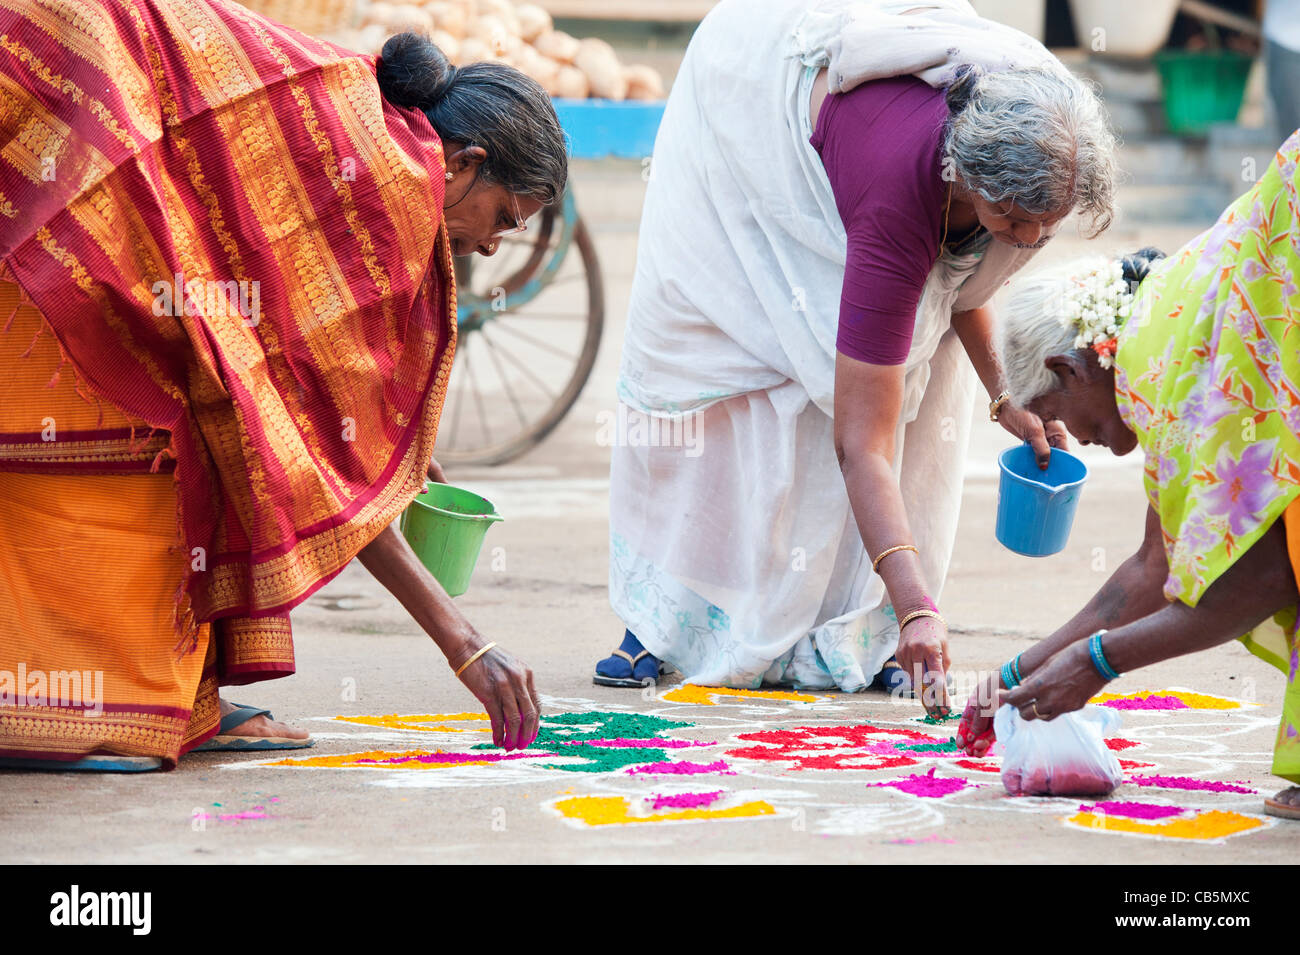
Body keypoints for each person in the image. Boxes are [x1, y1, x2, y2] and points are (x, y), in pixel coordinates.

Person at [0, 0, 564, 770]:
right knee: (174, 445)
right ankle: (78, 707)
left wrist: (385, 452)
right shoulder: (390, 189)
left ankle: (176, 695)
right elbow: (314, 461)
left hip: (80, 89)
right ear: (462, 162)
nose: (493, 247)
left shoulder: (373, 118)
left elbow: (316, 404)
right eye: (503, 216)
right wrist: (468, 644)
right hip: (70, 160)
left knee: (226, 427)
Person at [597, 0, 1116, 713]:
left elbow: (963, 284)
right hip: (745, 112)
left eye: (1044, 226)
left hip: (871, 117)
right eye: (1016, 222)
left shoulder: (1045, 143)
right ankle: (671, 621)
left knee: (918, 386)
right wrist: (919, 609)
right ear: (965, 177)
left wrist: (1006, 398)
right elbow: (862, 444)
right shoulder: (900, 190)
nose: (1027, 242)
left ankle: (861, 635)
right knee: (752, 382)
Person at [957, 131, 1300, 819]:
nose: (1096, 446)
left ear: (1068, 370)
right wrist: (1020, 671)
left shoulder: (1156, 360)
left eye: (1066, 422)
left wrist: (1098, 664)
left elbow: (1268, 570)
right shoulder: (1169, 327)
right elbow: (1155, 563)